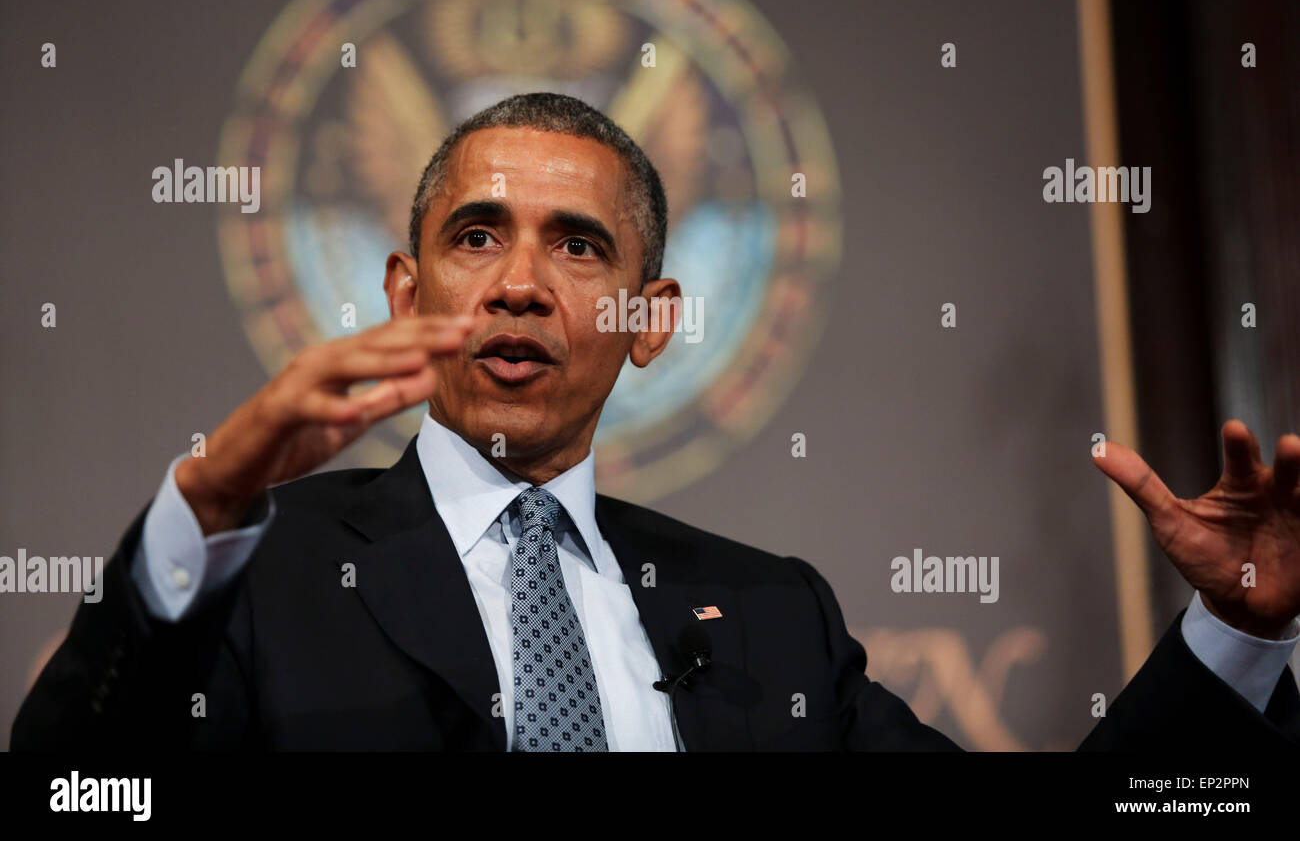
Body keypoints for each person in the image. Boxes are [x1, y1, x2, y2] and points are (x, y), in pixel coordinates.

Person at [13, 93, 1300, 750]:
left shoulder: (773, 615)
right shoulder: (261, 565)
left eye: (577, 246)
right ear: (407, 290)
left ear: (649, 315)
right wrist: (206, 509)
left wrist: (1236, 643)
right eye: (476, 237)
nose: (519, 282)